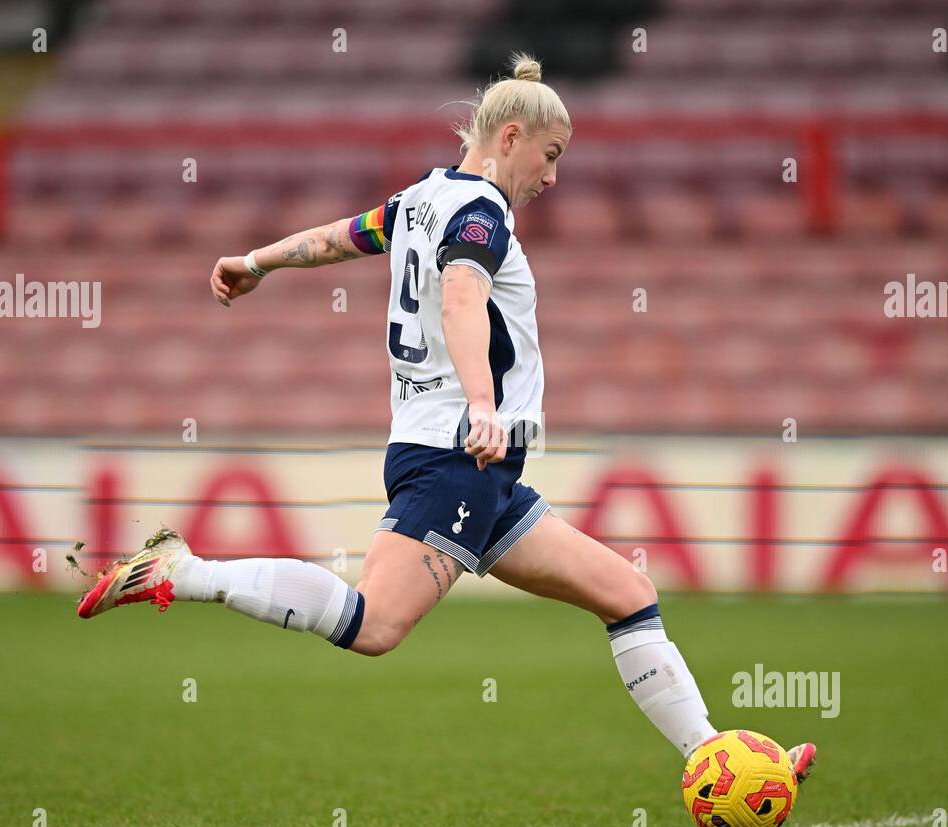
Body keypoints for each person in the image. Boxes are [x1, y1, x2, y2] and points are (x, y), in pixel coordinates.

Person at [77, 52, 815, 784]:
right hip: (461, 454)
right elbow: (463, 295)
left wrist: (258, 260)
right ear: (512, 137)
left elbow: (348, 235)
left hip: (474, 467)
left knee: (628, 594)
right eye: (550, 155)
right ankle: (184, 569)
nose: (553, 176)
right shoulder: (482, 211)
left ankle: (714, 759)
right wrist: (485, 408)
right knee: (374, 626)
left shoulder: (422, 199)